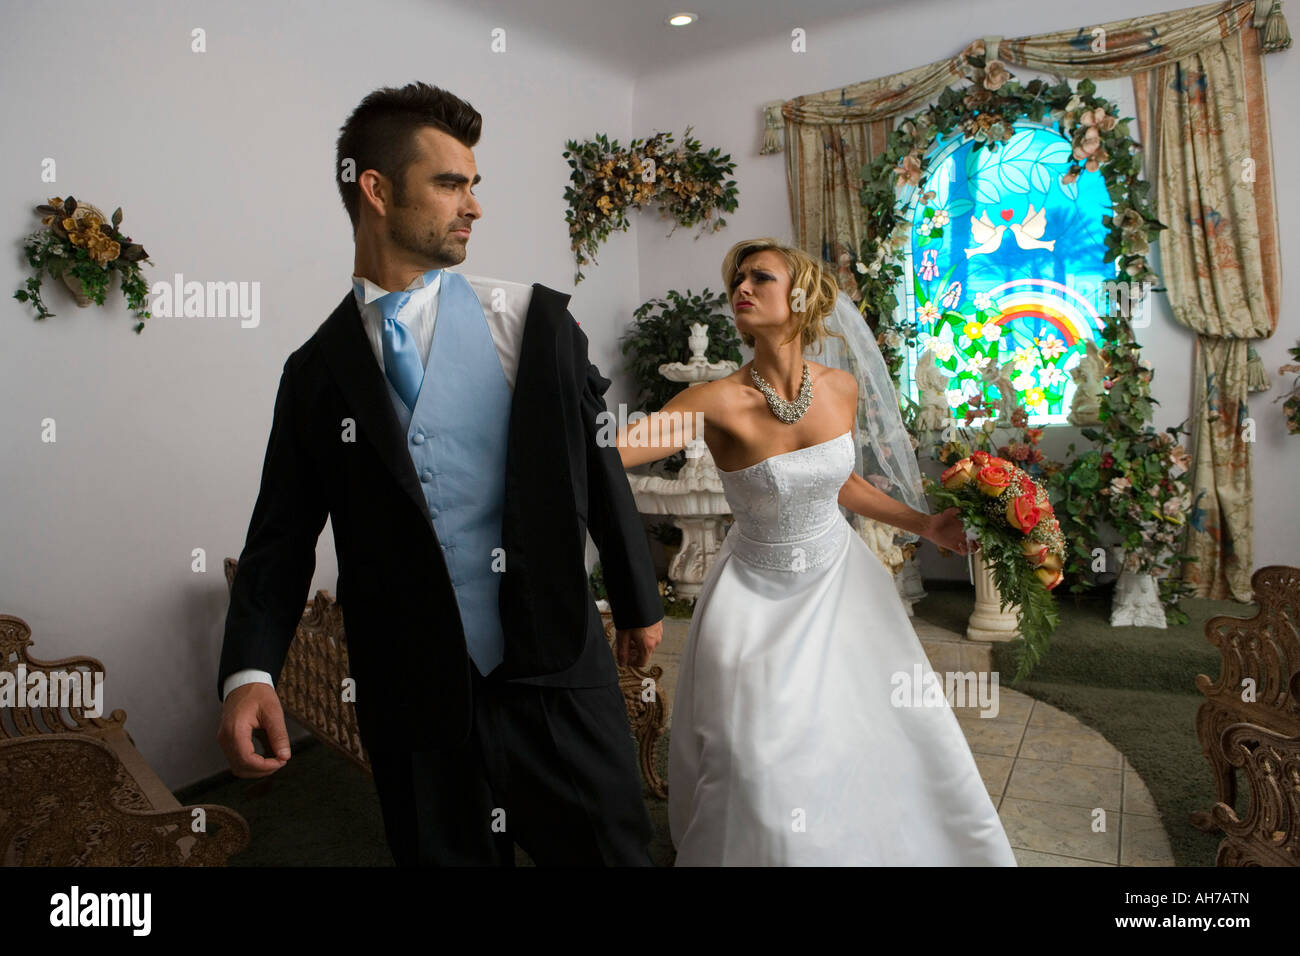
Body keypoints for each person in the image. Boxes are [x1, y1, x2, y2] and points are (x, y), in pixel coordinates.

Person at [216, 82, 664, 866]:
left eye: (474, 185)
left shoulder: (531, 323)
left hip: (553, 666)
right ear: (377, 190)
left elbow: (594, 464)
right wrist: (249, 670)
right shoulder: (314, 373)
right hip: (411, 691)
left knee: (610, 856)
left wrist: (636, 598)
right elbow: (281, 535)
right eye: (451, 184)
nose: (474, 206)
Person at [617, 238, 1018, 865]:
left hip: (841, 585)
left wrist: (926, 524)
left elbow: (839, 481)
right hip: (753, 598)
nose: (741, 289)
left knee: (867, 737)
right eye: (738, 280)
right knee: (756, 755)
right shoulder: (714, 402)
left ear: (801, 299)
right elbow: (609, 458)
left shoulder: (840, 388)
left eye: (760, 278)